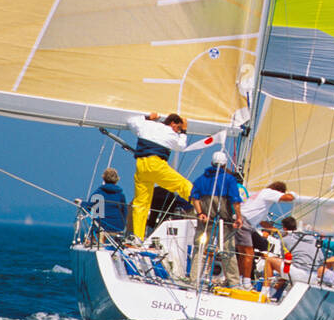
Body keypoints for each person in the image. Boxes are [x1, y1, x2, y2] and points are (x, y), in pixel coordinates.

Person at [128, 111, 192, 240]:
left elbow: (131, 122)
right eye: (178, 128)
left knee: (141, 204)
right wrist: (184, 131)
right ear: (173, 123)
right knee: (183, 185)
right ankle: (200, 206)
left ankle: (137, 238)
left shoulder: (145, 125)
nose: (178, 131)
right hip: (156, 165)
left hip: (141, 166)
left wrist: (148, 117)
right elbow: (181, 146)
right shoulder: (170, 133)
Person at [188, 151, 243, 289]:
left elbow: (194, 198)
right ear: (225, 164)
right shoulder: (230, 180)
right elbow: (235, 201)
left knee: (199, 250)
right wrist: (239, 217)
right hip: (224, 221)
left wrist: (200, 213)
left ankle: (194, 281)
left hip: (205, 220)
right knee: (227, 251)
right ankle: (234, 284)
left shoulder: (201, 179)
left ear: (212, 163)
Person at [237, 180, 295, 289]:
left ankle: (239, 280)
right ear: (278, 192)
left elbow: (262, 222)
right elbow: (289, 198)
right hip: (245, 223)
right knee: (249, 253)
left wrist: (277, 231)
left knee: (243, 254)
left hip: (244, 221)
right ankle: (246, 283)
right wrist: (294, 195)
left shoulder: (262, 196)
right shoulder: (269, 192)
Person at [277, 216, 334, 300]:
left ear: (284, 228)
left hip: (296, 272)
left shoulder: (285, 239)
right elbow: (321, 258)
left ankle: (269, 291)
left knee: (272, 262)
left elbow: (283, 257)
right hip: (312, 276)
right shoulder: (313, 239)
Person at [87, 167, 128, 241]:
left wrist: (80, 203)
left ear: (104, 178)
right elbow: (125, 212)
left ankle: (95, 242)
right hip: (118, 226)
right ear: (117, 179)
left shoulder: (98, 193)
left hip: (102, 226)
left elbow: (88, 206)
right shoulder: (120, 195)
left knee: (95, 235)